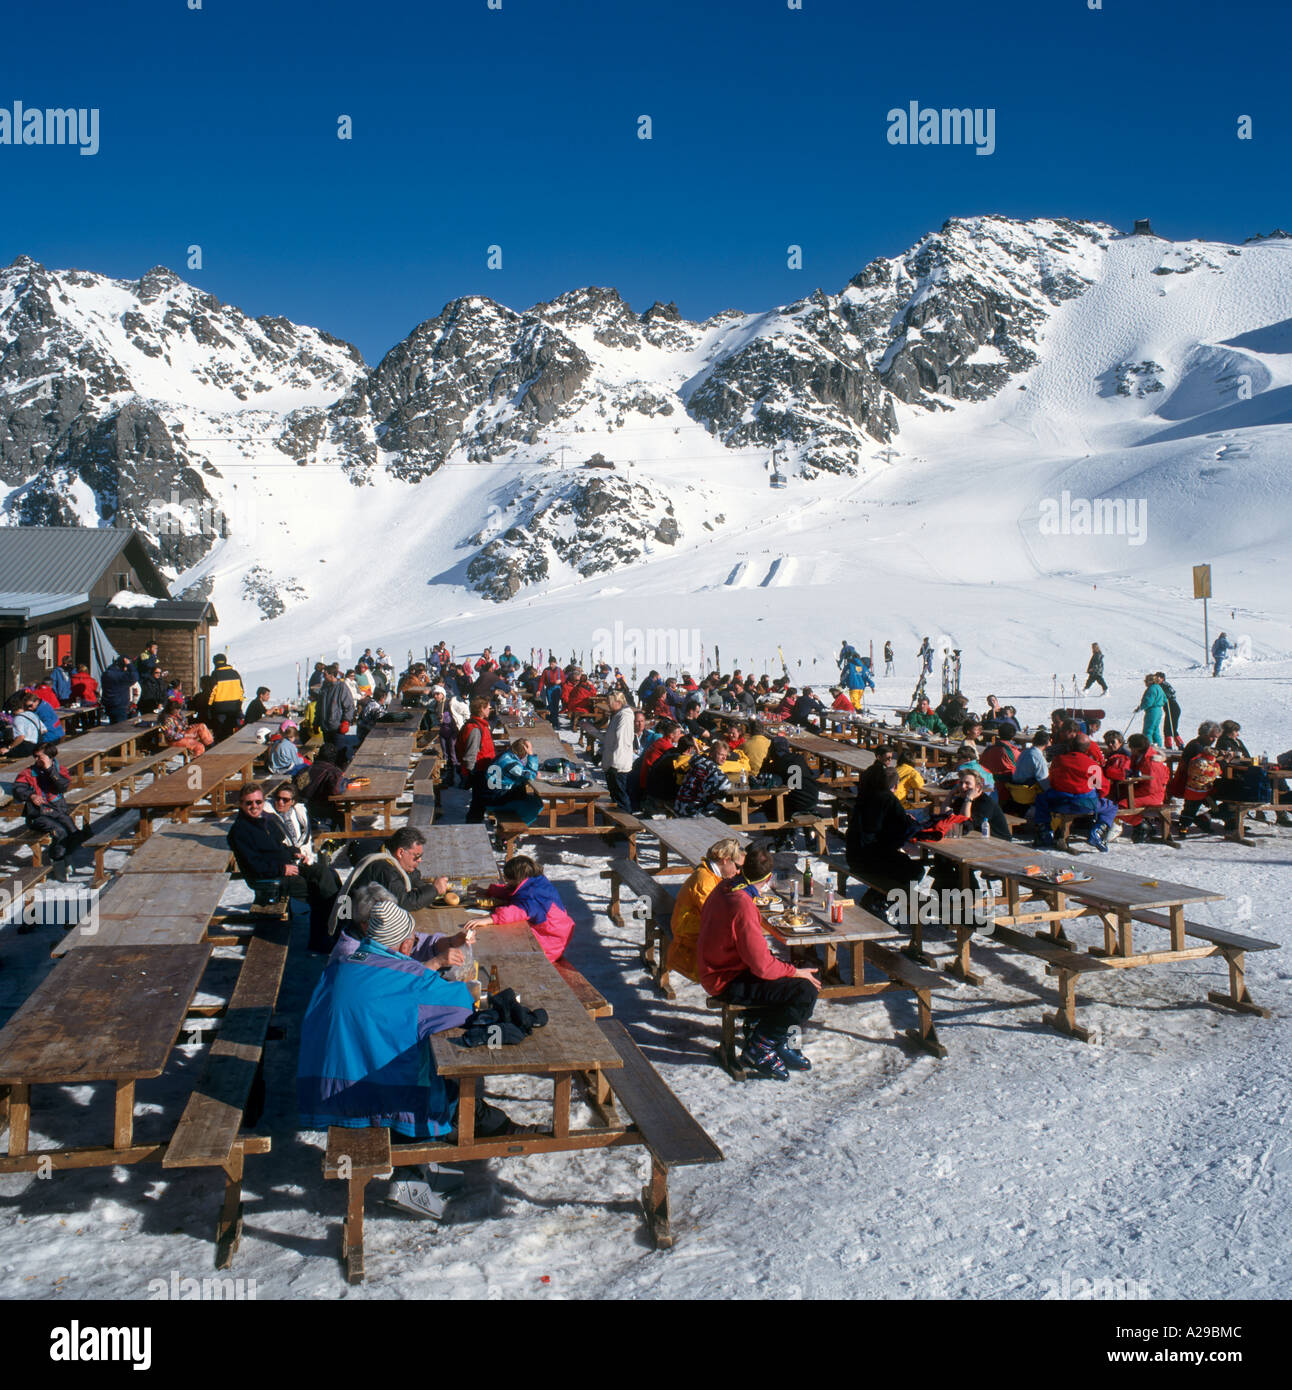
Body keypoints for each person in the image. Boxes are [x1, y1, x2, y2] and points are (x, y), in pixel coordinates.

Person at [298, 885, 526, 1219]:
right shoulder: (408, 979)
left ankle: (423, 1168)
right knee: (427, 1079)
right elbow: (463, 1006)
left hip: (323, 1085)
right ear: (406, 944)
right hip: (362, 1093)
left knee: (405, 1061)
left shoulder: (345, 962)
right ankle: (409, 1182)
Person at [697, 845, 820, 1081]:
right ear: (768, 878)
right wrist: (795, 972)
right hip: (725, 979)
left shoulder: (726, 886)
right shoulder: (742, 904)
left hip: (718, 966)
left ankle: (778, 1040)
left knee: (800, 975)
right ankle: (760, 1046)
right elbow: (762, 966)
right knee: (804, 990)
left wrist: (792, 971)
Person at [467, 854, 576, 962]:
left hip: (549, 942)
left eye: (507, 879)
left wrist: (490, 919)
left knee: (507, 942)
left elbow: (516, 911)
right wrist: (489, 891)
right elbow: (513, 893)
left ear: (516, 879)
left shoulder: (533, 897)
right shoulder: (534, 882)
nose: (506, 882)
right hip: (553, 934)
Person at [666, 838, 745, 983]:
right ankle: (725, 981)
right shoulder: (704, 880)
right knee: (737, 939)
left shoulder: (711, 872)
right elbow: (714, 914)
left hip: (696, 921)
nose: (739, 871)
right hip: (687, 929)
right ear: (726, 860)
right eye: (738, 866)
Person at [1031, 731, 1117, 851]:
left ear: (1070, 746)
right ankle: (1097, 832)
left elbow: (1052, 781)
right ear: (1087, 750)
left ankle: (1044, 832)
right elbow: (1103, 789)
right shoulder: (1092, 765)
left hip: (1059, 802)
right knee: (1111, 807)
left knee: (1041, 798)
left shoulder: (1058, 760)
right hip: (1084, 804)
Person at [13, 745, 83, 879]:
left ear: (50, 757)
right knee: (60, 831)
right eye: (35, 756)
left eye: (40, 756)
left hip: (58, 810)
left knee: (74, 833)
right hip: (38, 814)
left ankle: (65, 855)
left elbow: (62, 786)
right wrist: (31, 795)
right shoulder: (29, 773)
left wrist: (50, 770)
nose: (37, 759)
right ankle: (57, 862)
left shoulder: (59, 770)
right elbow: (17, 788)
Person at [485, 737, 543, 825]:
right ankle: (517, 829)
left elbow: (523, 771)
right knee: (536, 805)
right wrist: (531, 755)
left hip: (493, 794)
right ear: (524, 752)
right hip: (497, 799)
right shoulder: (511, 763)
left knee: (534, 799)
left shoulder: (506, 755)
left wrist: (531, 772)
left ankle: (518, 823)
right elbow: (530, 776)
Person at [458, 695, 497, 823]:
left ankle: (476, 823)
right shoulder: (475, 728)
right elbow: (471, 753)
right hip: (479, 770)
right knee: (478, 803)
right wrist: (471, 774)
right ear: (481, 709)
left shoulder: (479, 725)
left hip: (484, 767)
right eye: (488, 708)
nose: (489, 710)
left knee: (482, 800)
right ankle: (472, 828)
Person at [674, 739, 733, 818]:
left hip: (679, 805)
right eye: (721, 755)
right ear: (711, 754)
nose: (724, 758)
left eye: (726, 756)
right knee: (732, 816)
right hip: (692, 809)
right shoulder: (711, 767)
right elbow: (725, 786)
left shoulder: (699, 762)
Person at [601, 691, 636, 811]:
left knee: (621, 796)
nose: (608, 705)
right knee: (615, 795)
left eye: (610, 703)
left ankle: (626, 823)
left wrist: (614, 765)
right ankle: (618, 821)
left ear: (618, 702)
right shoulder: (617, 715)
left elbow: (621, 741)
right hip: (612, 761)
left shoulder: (625, 716)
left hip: (618, 764)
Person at [200, 654, 245, 741]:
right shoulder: (235, 674)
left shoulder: (215, 674)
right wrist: (239, 704)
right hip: (234, 707)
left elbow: (212, 692)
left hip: (219, 708)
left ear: (215, 663)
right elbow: (241, 690)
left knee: (220, 731)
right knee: (231, 728)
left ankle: (219, 745)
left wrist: (209, 706)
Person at [1135, 674, 1167, 747]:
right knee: (1155, 729)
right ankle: (1159, 746)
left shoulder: (1151, 689)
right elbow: (1165, 699)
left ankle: (1147, 746)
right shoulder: (1159, 687)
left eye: (1145, 681)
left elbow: (1148, 702)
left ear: (1150, 681)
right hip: (1159, 710)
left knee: (1148, 730)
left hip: (1152, 711)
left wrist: (1140, 708)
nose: (1145, 683)